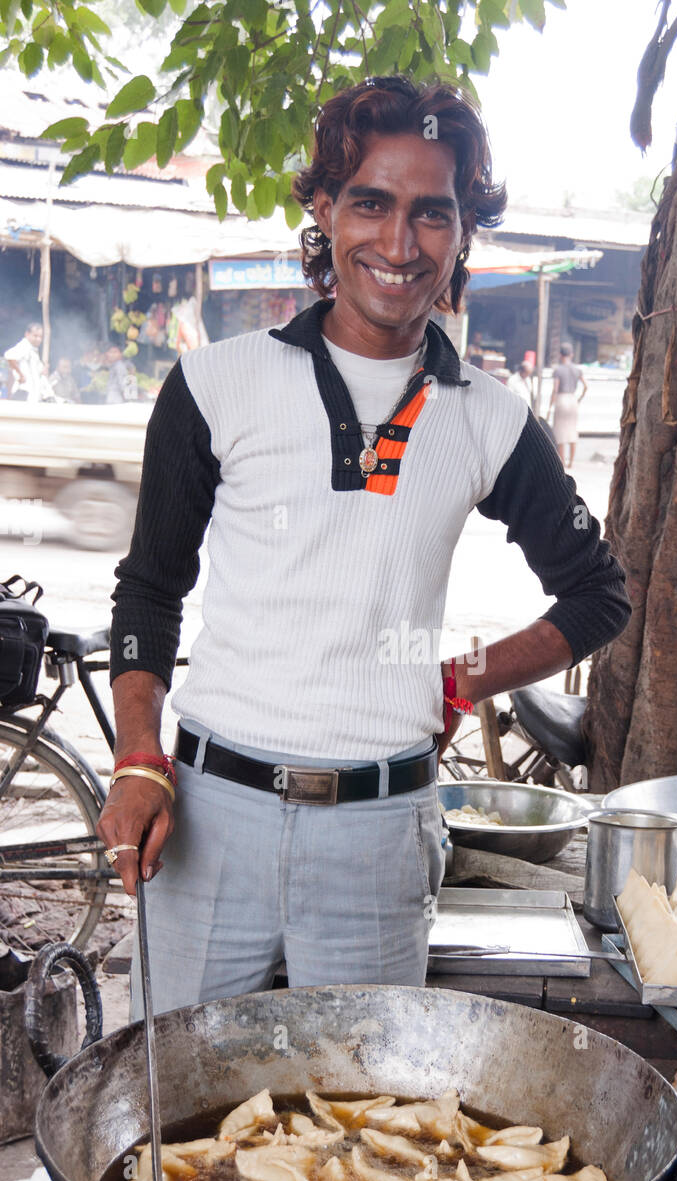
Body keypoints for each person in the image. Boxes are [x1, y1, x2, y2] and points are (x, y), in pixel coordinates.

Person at [99, 75, 631, 1020]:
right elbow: (148, 591)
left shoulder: (491, 422)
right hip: (210, 820)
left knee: (357, 1131)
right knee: (170, 1121)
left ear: (464, 232)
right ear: (323, 209)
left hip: (382, 834)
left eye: (433, 214)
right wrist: (138, 758)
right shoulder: (217, 384)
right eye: (371, 203)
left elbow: (597, 594)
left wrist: (458, 680)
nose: (398, 243)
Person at [549, 341, 587, 472]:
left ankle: (562, 462)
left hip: (562, 399)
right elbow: (586, 386)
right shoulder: (577, 370)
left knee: (560, 432)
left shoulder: (558, 370)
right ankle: (571, 462)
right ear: (571, 354)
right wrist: (579, 398)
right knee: (572, 431)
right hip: (572, 399)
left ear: (560, 355)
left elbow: (555, 389)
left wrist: (550, 406)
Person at [4, 322, 53, 402]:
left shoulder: (33, 351)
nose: (38, 339)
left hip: (33, 394)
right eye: (35, 336)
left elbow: (38, 371)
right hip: (23, 392)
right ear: (27, 334)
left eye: (40, 337)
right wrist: (20, 374)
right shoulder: (24, 345)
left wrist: (43, 370)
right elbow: (9, 356)